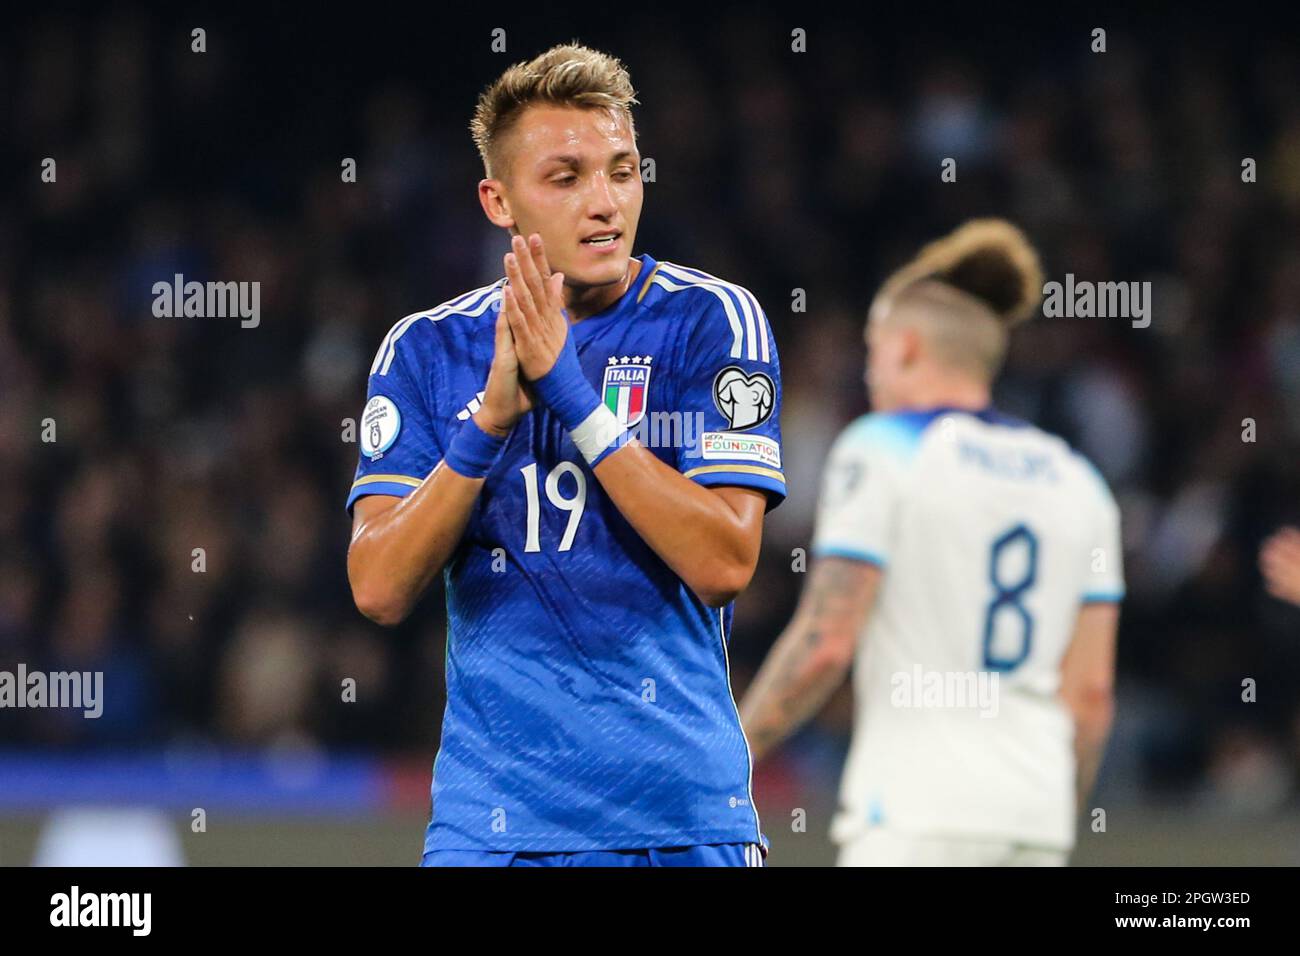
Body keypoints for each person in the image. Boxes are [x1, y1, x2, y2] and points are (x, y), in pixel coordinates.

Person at [346, 44, 784, 867]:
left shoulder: (714, 323)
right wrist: (489, 424)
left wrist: (571, 396)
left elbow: (726, 560)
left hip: (681, 822)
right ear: (498, 200)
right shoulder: (427, 351)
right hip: (496, 831)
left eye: (622, 171)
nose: (605, 204)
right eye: (567, 177)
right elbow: (376, 584)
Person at [740, 220, 1122, 866]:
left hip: (914, 814)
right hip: (1036, 818)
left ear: (908, 348)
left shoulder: (883, 447)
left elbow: (825, 643)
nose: (869, 372)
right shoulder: (1079, 481)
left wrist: (731, 755)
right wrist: (1054, 805)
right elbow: (1089, 693)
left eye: (873, 350)